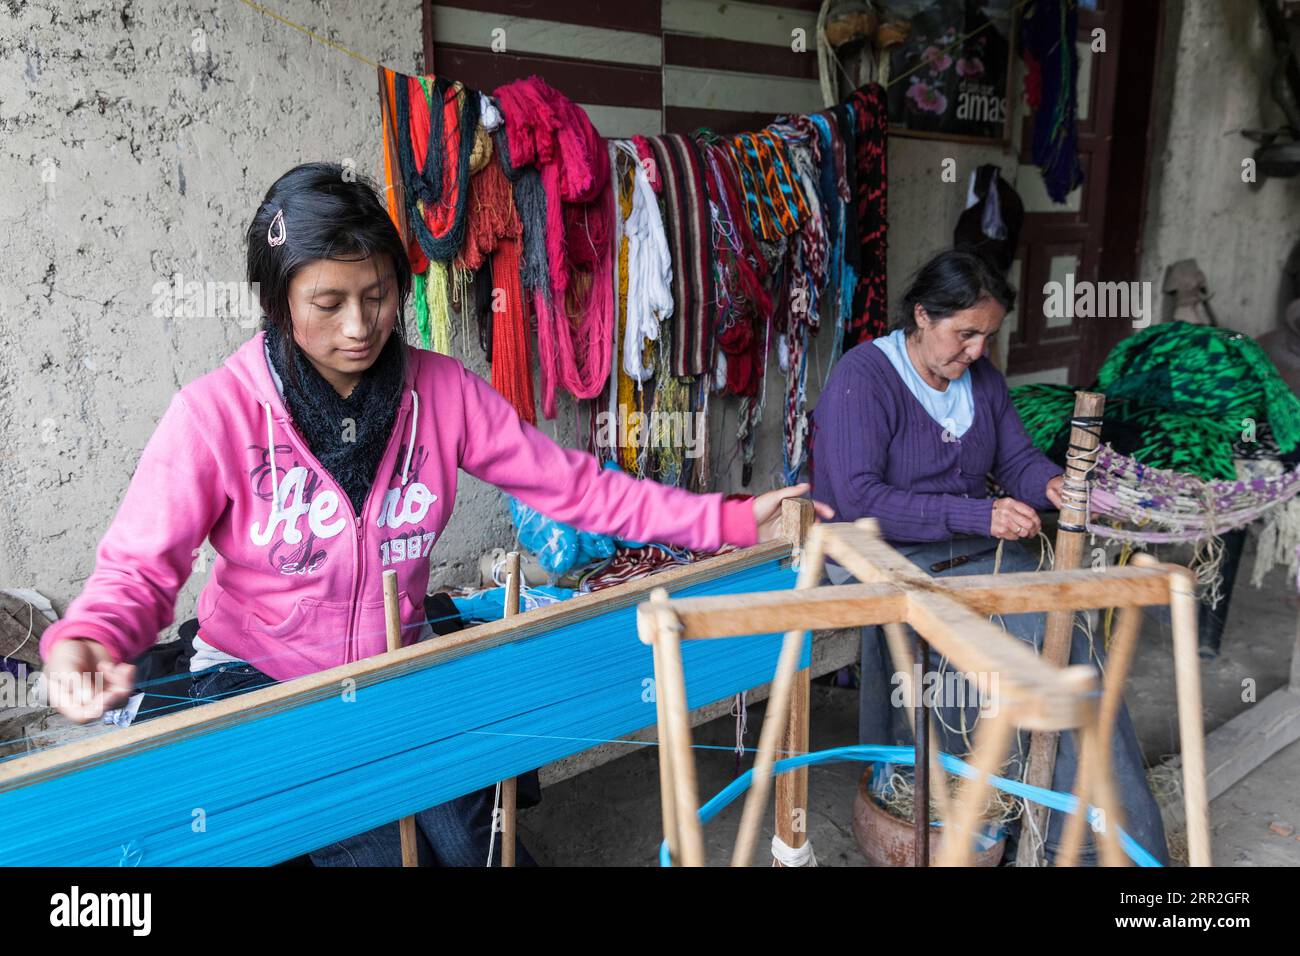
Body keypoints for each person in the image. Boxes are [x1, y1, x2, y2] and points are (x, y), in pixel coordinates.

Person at [39, 162, 830, 866]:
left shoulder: (441, 393)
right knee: (333, 831)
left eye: (378, 296)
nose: (359, 327)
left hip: (396, 668)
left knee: (459, 836)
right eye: (328, 302)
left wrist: (727, 522)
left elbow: (575, 489)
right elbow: (140, 569)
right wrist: (92, 639)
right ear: (277, 303)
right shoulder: (215, 415)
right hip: (263, 684)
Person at [810, 248, 1168, 864]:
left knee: (1072, 624)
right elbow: (858, 498)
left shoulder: (984, 381)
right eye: (964, 333)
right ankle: (1023, 825)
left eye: (987, 336)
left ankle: (1095, 842)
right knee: (1025, 634)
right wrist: (980, 513)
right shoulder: (861, 378)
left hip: (966, 548)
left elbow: (1017, 461)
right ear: (922, 316)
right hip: (880, 553)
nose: (976, 351)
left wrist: (1050, 485)